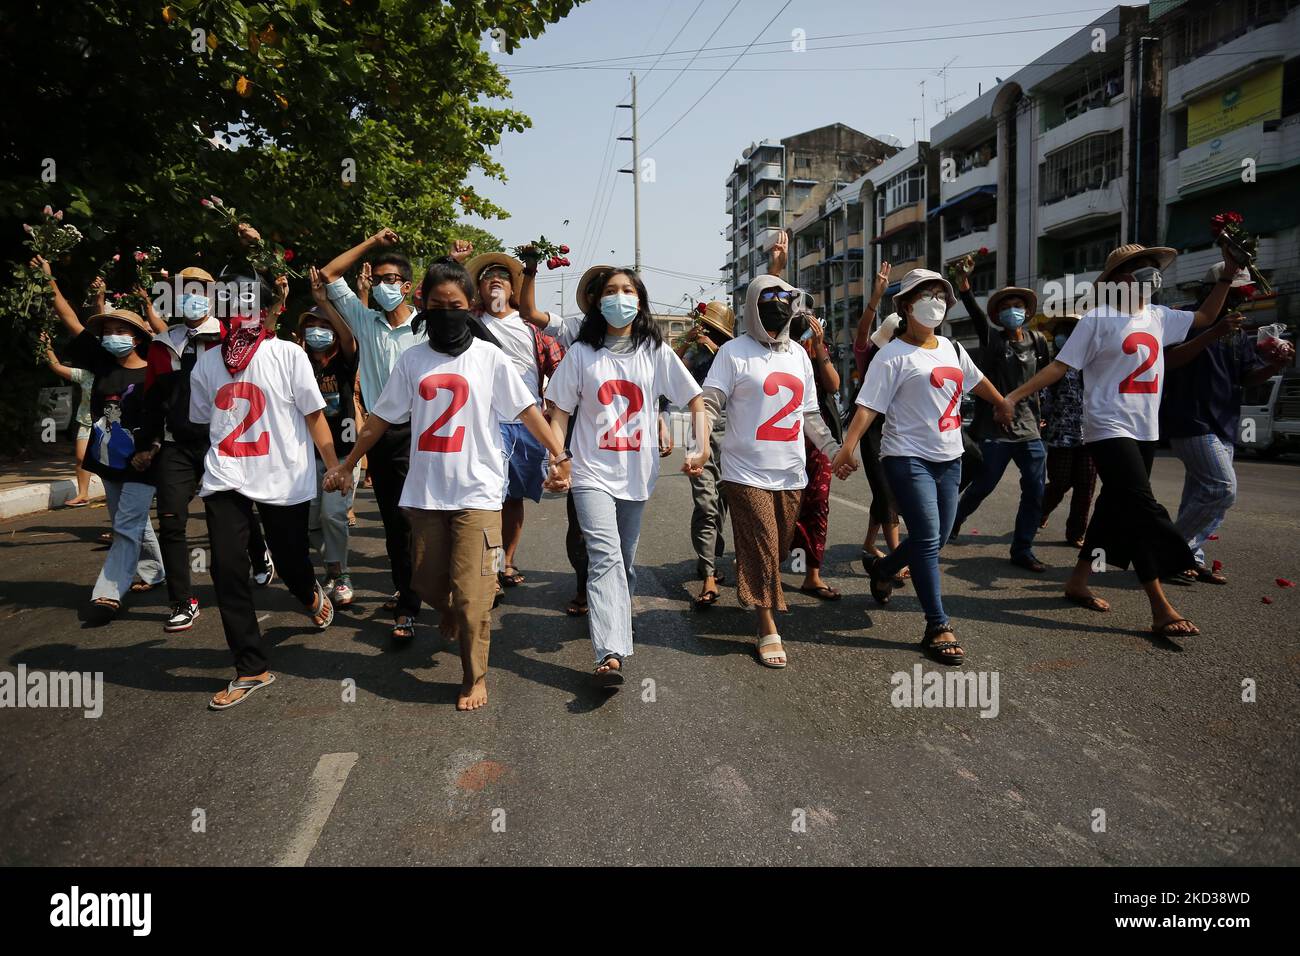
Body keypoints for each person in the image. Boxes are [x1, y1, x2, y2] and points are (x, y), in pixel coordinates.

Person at [326, 260, 566, 710]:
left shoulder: (489, 357)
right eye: (437, 305)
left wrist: (559, 453)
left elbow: (528, 409)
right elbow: (379, 418)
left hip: (478, 493)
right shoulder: (412, 360)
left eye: (456, 305)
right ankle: (452, 608)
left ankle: (474, 677)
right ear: (424, 306)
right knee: (430, 585)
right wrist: (347, 464)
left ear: (469, 307)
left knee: (475, 598)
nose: (446, 312)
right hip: (425, 494)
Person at [997, 241, 1247, 638]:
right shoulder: (1098, 319)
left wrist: (1228, 276)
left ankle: (1078, 580)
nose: (1150, 273)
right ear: (1116, 281)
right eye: (1139, 268)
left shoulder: (1160, 317)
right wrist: (1012, 396)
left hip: (1146, 429)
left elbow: (1203, 316)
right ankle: (1161, 600)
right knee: (1139, 507)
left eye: (1152, 266)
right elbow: (1060, 367)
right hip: (1108, 428)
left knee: (1113, 508)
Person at [833, 269, 1009, 666]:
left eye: (940, 295)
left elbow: (976, 381)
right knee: (927, 536)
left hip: (950, 458)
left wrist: (1001, 402)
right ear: (906, 306)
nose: (935, 301)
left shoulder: (951, 348)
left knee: (939, 536)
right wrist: (849, 447)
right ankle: (937, 624)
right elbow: (867, 406)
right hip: (905, 457)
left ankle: (882, 569)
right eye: (926, 295)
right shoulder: (891, 355)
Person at [545, 268, 708, 685]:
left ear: (640, 299)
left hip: (637, 474)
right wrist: (558, 456)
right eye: (611, 292)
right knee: (604, 558)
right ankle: (609, 653)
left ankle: (615, 618)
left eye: (628, 290)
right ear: (598, 303)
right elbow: (559, 411)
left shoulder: (654, 351)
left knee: (625, 561)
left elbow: (695, 399)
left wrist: (701, 445)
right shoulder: (581, 354)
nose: (620, 297)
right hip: (590, 471)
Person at [190, 271, 342, 710]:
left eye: (246, 300)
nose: (238, 310)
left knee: (292, 559)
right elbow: (205, 420)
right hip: (226, 475)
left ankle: (309, 592)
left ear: (263, 306)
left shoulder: (288, 355)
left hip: (284, 476)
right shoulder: (207, 362)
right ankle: (251, 667)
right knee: (227, 566)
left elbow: (315, 416)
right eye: (229, 301)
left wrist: (335, 466)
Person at [701, 232, 842, 669]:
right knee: (763, 543)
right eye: (770, 299)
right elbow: (708, 402)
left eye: (786, 299)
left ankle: (758, 586)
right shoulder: (732, 352)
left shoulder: (799, 354)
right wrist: (697, 442)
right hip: (744, 472)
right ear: (752, 308)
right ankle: (767, 625)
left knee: (778, 549)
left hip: (791, 473)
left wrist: (837, 452)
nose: (779, 306)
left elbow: (811, 415)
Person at [321, 227, 447, 640]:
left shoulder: (427, 327)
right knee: (396, 522)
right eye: (376, 280)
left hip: (427, 432)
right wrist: (373, 243)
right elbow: (328, 273)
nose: (381, 287)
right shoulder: (364, 319)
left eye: (390, 280)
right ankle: (407, 596)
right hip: (383, 433)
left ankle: (438, 595)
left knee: (431, 518)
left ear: (408, 287)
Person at [134, 263, 275, 633]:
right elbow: (152, 401)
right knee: (171, 520)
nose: (190, 297)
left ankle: (259, 557)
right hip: (175, 444)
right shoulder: (163, 346)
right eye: (183, 290)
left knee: (236, 510)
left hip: (220, 441)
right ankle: (182, 601)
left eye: (199, 290)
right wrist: (147, 443)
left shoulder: (232, 336)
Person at [1160, 262, 1294, 585]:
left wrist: (1273, 365)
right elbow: (1170, 360)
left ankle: (1190, 556)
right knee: (1223, 488)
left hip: (1224, 422)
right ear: (1212, 289)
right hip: (1188, 418)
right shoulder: (1185, 319)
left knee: (1200, 494)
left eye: (1240, 295)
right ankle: (1165, 552)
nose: (1236, 302)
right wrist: (1212, 333)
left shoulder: (1239, 332)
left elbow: (1246, 377)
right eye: (1231, 293)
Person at [464, 249, 565, 592]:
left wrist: (553, 410)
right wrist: (453, 261)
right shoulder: (468, 323)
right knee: (488, 499)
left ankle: (506, 561)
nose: (495, 280)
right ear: (477, 288)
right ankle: (489, 571)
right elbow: (431, 299)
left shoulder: (532, 330)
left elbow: (563, 373)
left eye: (504, 277)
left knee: (512, 500)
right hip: (485, 423)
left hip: (526, 424)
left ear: (512, 289)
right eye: (487, 276)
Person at [949, 266, 1051, 573]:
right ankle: (952, 522)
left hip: (1030, 428)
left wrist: (1042, 415)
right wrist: (965, 290)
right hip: (996, 428)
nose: (1012, 312)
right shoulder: (993, 340)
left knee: (1035, 489)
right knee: (983, 486)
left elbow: (1043, 380)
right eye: (1006, 308)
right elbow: (980, 320)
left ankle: (1023, 548)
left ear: (1026, 311)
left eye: (1017, 307)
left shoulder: (1037, 342)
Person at [303, 267, 361, 606]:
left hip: (342, 454)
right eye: (311, 326)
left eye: (324, 327)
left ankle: (342, 575)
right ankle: (330, 565)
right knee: (310, 519)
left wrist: (325, 304)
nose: (317, 332)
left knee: (332, 514)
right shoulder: (296, 362)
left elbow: (350, 338)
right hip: (305, 456)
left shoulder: (344, 362)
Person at [850, 260, 909, 583]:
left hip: (897, 428)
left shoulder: (907, 354)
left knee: (885, 492)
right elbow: (862, 331)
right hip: (871, 429)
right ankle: (898, 557)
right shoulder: (868, 353)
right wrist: (875, 297)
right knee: (886, 492)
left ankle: (871, 544)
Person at [674, 300, 734, 609]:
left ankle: (708, 558)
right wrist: (687, 342)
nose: (707, 334)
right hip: (701, 429)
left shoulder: (735, 353)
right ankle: (709, 574)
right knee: (707, 503)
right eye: (706, 328)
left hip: (734, 436)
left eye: (713, 331)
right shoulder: (697, 352)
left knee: (724, 502)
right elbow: (674, 376)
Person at [790, 309, 843, 600]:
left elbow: (833, 385)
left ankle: (812, 574)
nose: (809, 336)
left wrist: (820, 348)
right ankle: (786, 559)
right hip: (788, 438)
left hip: (819, 439)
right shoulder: (784, 353)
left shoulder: (821, 353)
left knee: (819, 502)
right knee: (790, 503)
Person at [1038, 315, 1095, 547]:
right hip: (1060, 435)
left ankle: (1075, 534)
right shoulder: (1053, 365)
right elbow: (1043, 396)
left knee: (1086, 486)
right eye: (1061, 331)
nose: (1064, 335)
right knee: (1060, 482)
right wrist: (1043, 418)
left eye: (1070, 330)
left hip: (1092, 435)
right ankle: (1040, 510)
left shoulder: (1094, 364)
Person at [42, 336, 95, 507]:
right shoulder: (85, 375)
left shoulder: (117, 373)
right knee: (81, 458)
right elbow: (57, 367)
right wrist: (47, 347)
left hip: (113, 423)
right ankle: (83, 494)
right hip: (87, 421)